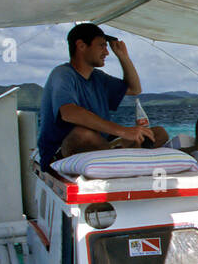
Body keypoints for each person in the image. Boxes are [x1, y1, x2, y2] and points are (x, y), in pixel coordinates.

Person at [37, 23, 168, 169]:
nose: (106, 52)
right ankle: (121, 155)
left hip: (102, 144)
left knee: (157, 133)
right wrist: (124, 131)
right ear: (81, 45)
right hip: (61, 152)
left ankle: (117, 153)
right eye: (101, 46)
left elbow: (134, 89)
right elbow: (70, 113)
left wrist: (123, 57)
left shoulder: (98, 78)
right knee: (83, 135)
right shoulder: (63, 74)